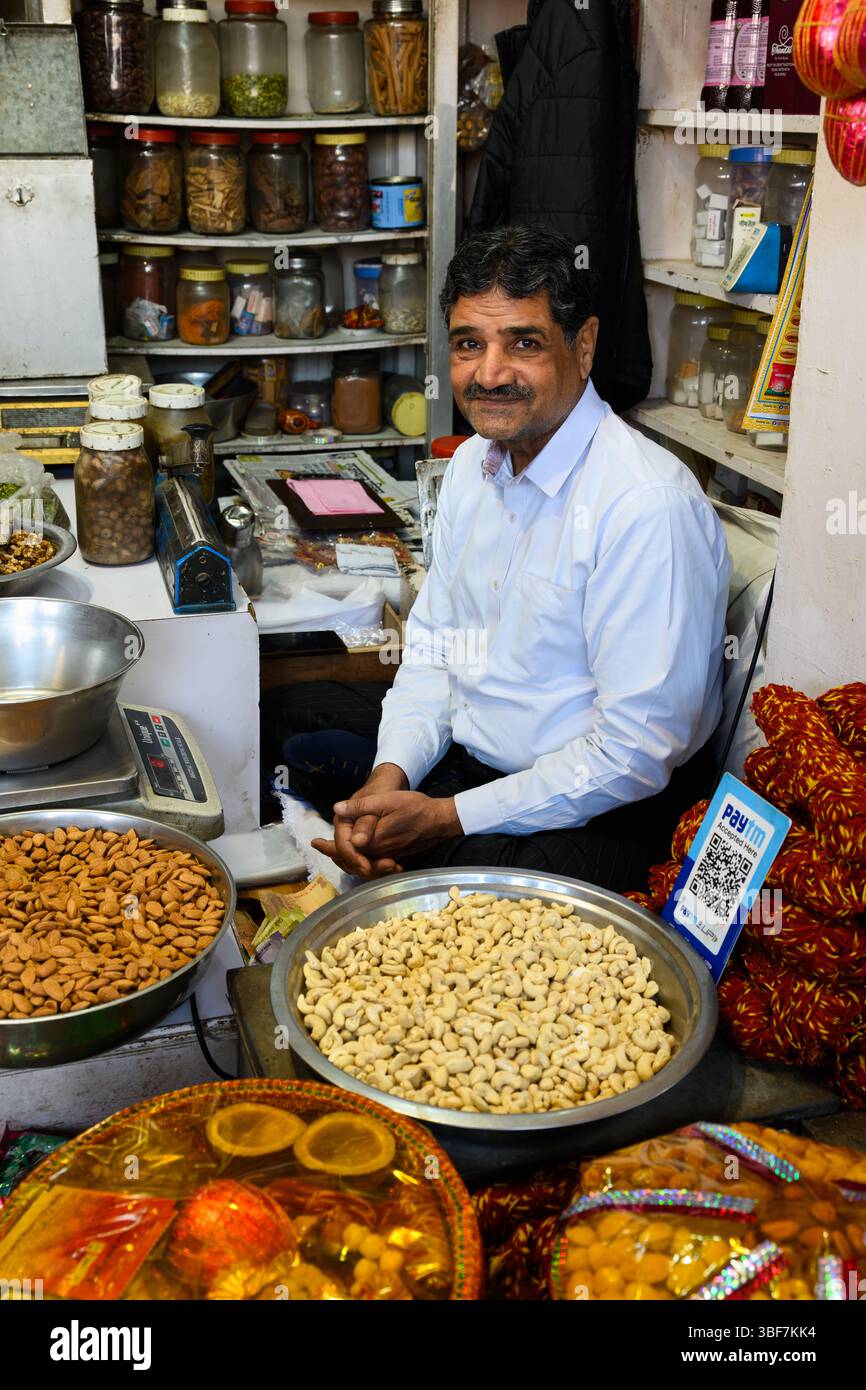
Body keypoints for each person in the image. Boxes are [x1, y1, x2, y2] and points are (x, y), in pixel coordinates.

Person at [267, 225, 731, 891]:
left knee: (429, 884)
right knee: (294, 728)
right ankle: (399, 822)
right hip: (478, 754)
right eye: (468, 345)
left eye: (525, 343)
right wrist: (389, 778)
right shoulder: (472, 470)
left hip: (603, 807)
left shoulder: (643, 506)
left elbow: (632, 756)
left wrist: (444, 818)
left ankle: (425, 847)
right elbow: (431, 650)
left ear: (586, 345)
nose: (489, 374)